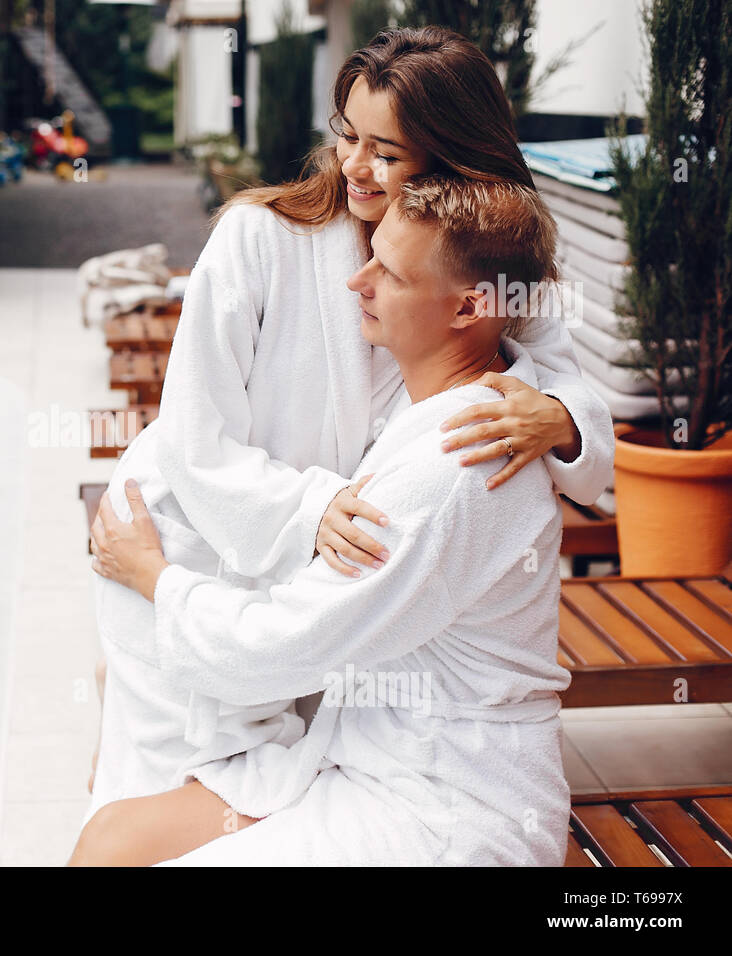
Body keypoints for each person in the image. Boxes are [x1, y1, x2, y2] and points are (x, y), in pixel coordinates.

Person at [81, 25, 613, 824]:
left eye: (388, 151)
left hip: (332, 589)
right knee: (157, 799)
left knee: (279, 787)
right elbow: (195, 434)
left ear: (454, 153)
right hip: (196, 539)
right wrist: (310, 511)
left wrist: (561, 415)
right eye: (347, 137)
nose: (357, 168)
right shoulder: (258, 239)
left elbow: (562, 381)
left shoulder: (477, 257)